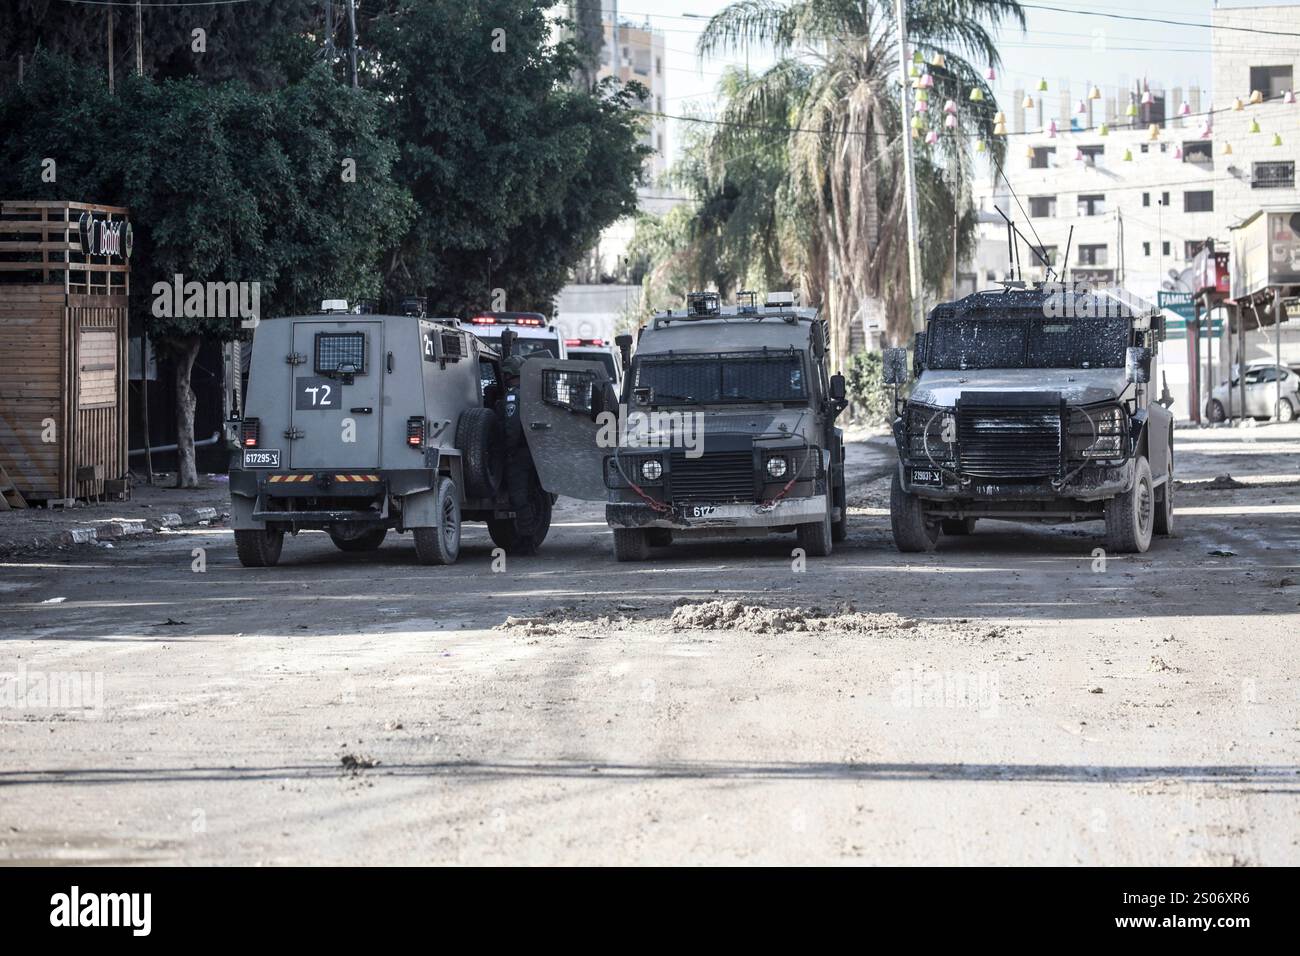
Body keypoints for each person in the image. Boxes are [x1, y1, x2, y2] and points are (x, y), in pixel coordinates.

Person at [497, 355, 539, 534]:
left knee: (519, 496)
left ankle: (526, 537)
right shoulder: (534, 394)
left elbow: (512, 426)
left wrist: (509, 449)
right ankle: (531, 533)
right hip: (536, 451)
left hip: (520, 452)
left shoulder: (513, 396)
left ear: (508, 375)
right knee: (531, 493)